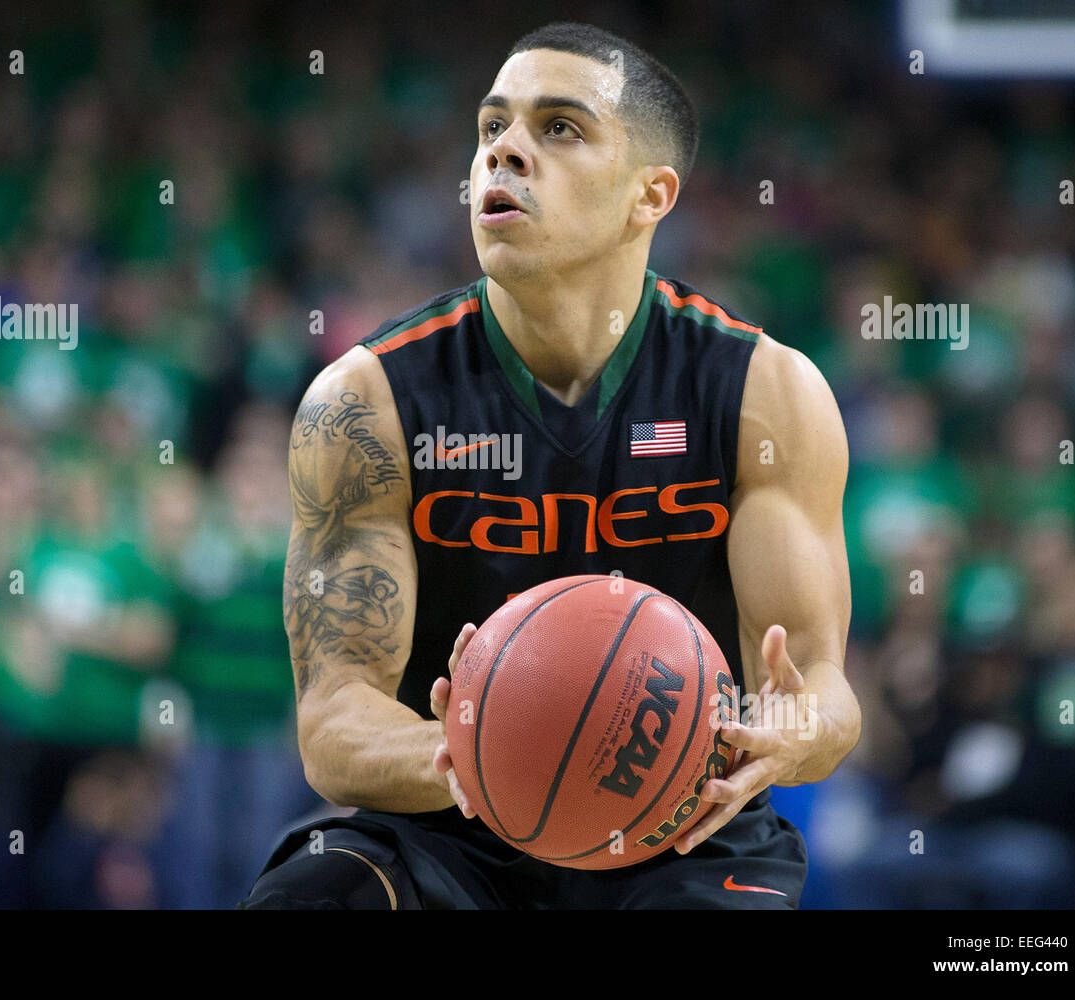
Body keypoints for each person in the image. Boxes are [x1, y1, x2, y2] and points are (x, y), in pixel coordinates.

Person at [240, 21, 859, 909]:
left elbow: (823, 688)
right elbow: (334, 725)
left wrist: (794, 732)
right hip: (445, 824)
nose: (506, 153)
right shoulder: (365, 402)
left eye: (558, 128)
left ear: (652, 195)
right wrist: (500, 755)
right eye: (492, 128)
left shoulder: (767, 391)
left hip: (678, 825)